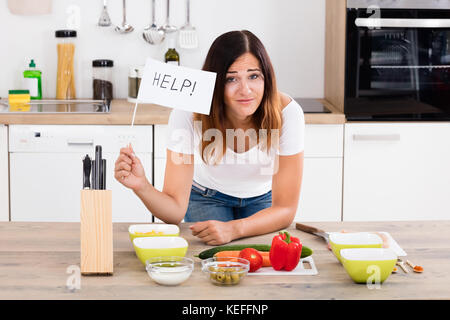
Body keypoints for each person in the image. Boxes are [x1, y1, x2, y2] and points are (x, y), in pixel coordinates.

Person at [114, 30, 304, 245]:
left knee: (261, 266)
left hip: (264, 199)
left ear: (266, 77)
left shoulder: (287, 113)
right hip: (206, 197)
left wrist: (234, 229)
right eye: (231, 79)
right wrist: (143, 187)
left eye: (253, 76)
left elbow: (285, 209)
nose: (245, 90)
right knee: (213, 266)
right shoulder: (188, 113)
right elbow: (174, 211)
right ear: (215, 82)